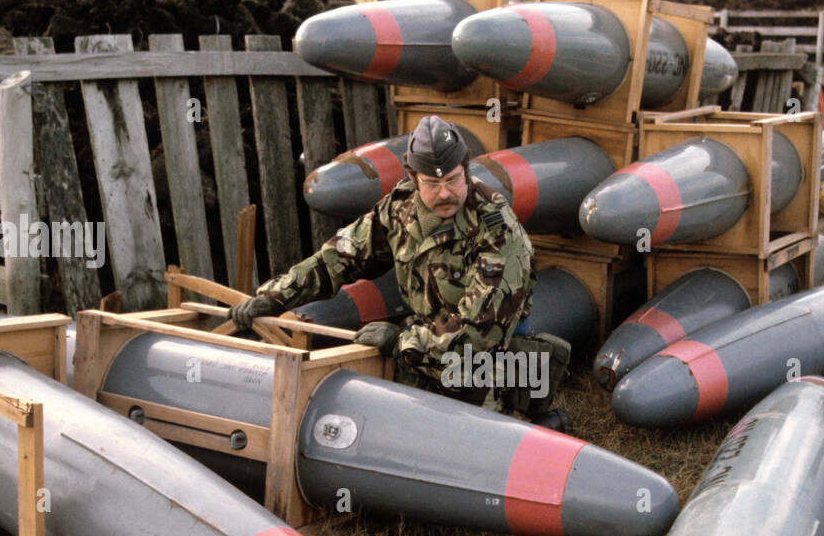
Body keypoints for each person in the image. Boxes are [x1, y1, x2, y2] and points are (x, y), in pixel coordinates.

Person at [229, 115, 570, 425]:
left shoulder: (497, 231)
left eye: (453, 180)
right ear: (412, 177)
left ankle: (530, 419)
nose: (446, 193)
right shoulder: (401, 208)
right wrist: (275, 297)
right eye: (432, 185)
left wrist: (401, 341)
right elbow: (341, 256)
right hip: (422, 357)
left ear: (466, 169)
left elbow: (478, 337)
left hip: (478, 369)